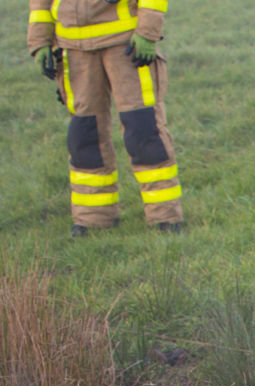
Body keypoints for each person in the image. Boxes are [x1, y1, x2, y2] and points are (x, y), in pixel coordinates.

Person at [26, 0, 184, 236]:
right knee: (84, 135)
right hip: (73, 49)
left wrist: (147, 32)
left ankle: (164, 217)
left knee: (142, 129)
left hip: (127, 43)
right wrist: (39, 41)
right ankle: (93, 219)